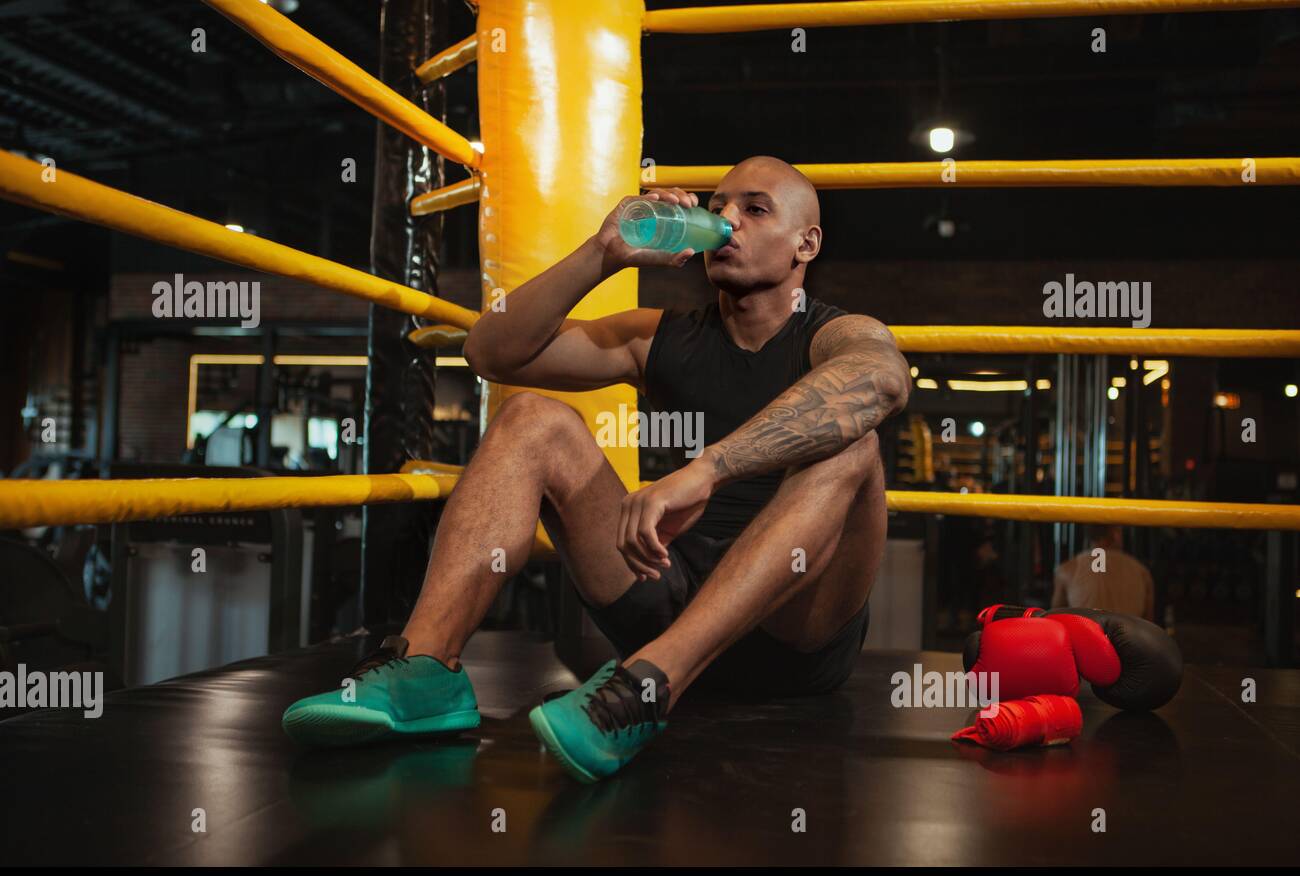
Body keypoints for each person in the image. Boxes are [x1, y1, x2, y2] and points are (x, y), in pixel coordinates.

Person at [282, 156, 912, 782]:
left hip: (792, 633)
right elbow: (491, 352)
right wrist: (604, 253)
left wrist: (711, 468)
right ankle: (425, 669)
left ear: (808, 242)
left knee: (853, 440)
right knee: (531, 419)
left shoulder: (836, 335)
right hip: (667, 592)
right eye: (717, 206)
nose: (726, 220)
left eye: (754, 208)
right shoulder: (660, 337)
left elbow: (880, 382)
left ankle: (649, 686)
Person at [1051, 524, 1155, 620]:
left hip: (1086, 638)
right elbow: (1149, 623)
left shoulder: (1066, 570)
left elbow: (1055, 620)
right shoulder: (1142, 572)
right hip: (1129, 639)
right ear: (1116, 533)